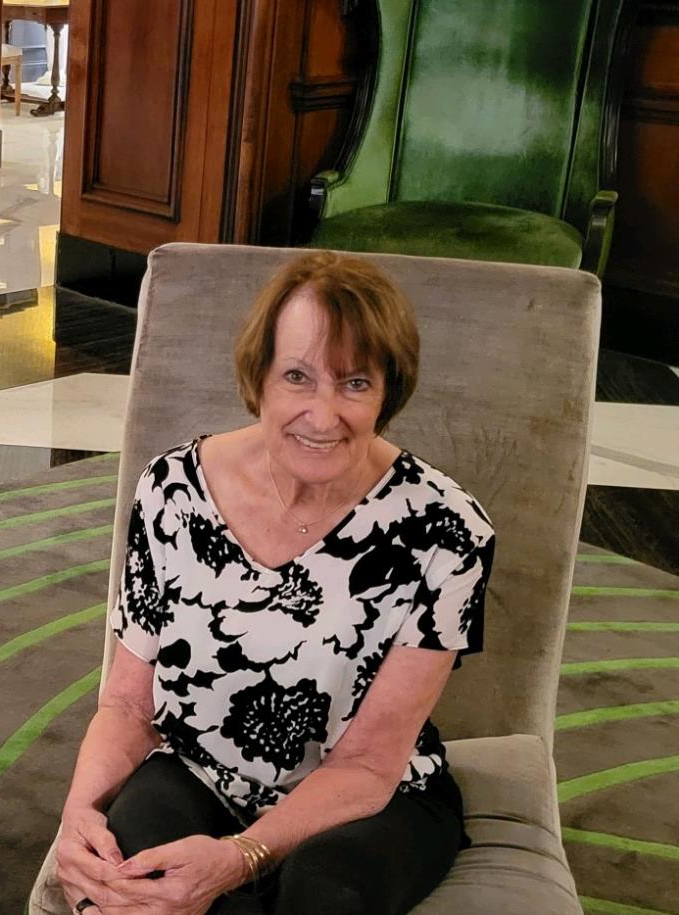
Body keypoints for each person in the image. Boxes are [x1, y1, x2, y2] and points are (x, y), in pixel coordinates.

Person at [54, 251, 494, 915]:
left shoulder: (447, 532)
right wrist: (77, 817)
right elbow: (126, 705)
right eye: (298, 375)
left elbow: (371, 761)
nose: (323, 414)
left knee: (326, 895)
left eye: (355, 383)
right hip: (200, 768)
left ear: (388, 391)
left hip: (373, 797)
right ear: (257, 377)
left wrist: (240, 856)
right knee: (124, 879)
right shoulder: (173, 492)